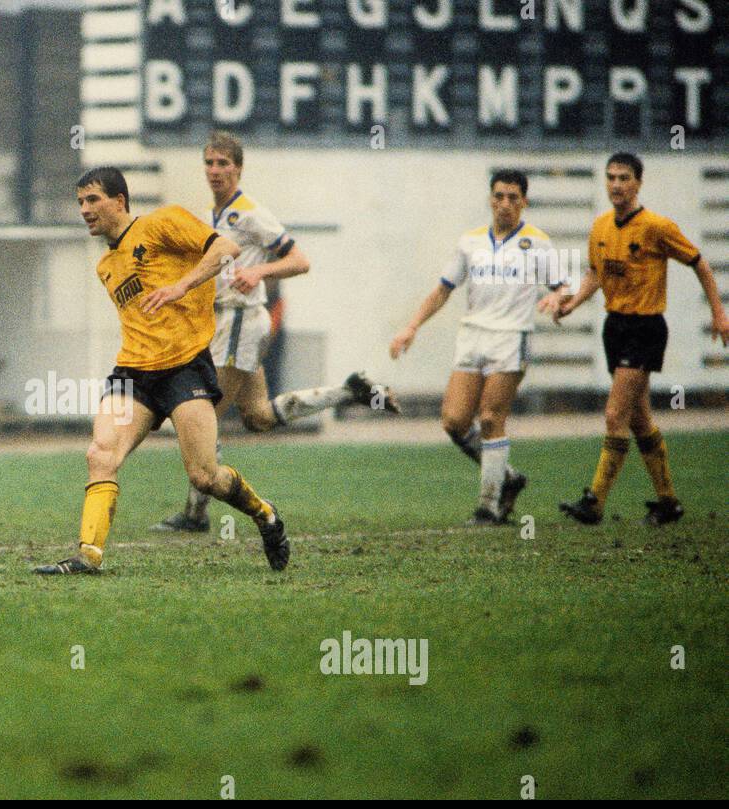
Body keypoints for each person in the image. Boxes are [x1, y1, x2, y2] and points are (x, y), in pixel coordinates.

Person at [33, 167, 289, 575]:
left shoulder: (163, 222)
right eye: (80, 201)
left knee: (205, 476)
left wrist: (181, 286)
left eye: (93, 200)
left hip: (184, 367)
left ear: (119, 201)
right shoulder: (105, 266)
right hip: (132, 373)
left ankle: (266, 515)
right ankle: (88, 557)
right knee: (100, 454)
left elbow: (226, 248)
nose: (84, 209)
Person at [153, 131, 399, 533]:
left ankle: (195, 515)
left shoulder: (250, 213)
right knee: (257, 417)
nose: (215, 171)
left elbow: (300, 260)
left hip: (240, 322)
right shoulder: (215, 215)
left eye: (223, 163)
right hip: (229, 322)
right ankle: (351, 391)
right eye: (210, 163)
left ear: (238, 168)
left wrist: (260, 272)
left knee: (204, 414)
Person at [548, 153, 728, 525]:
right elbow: (596, 275)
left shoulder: (656, 227)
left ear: (638, 182)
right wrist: (573, 303)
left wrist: (719, 313)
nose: (616, 185)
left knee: (615, 414)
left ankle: (594, 503)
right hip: (615, 327)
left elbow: (700, 264)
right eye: (611, 177)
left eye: (624, 178)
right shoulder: (599, 227)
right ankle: (668, 502)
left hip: (645, 329)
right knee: (639, 419)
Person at [390, 170, 569, 525]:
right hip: (472, 336)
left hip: (511, 337)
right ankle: (509, 477)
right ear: (490, 198)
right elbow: (443, 289)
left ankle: (489, 506)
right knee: (455, 422)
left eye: (513, 198)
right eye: (499, 196)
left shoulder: (540, 243)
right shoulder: (470, 242)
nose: (505, 204)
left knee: (490, 418)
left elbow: (566, 287)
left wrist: (558, 299)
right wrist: (411, 327)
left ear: (524, 202)